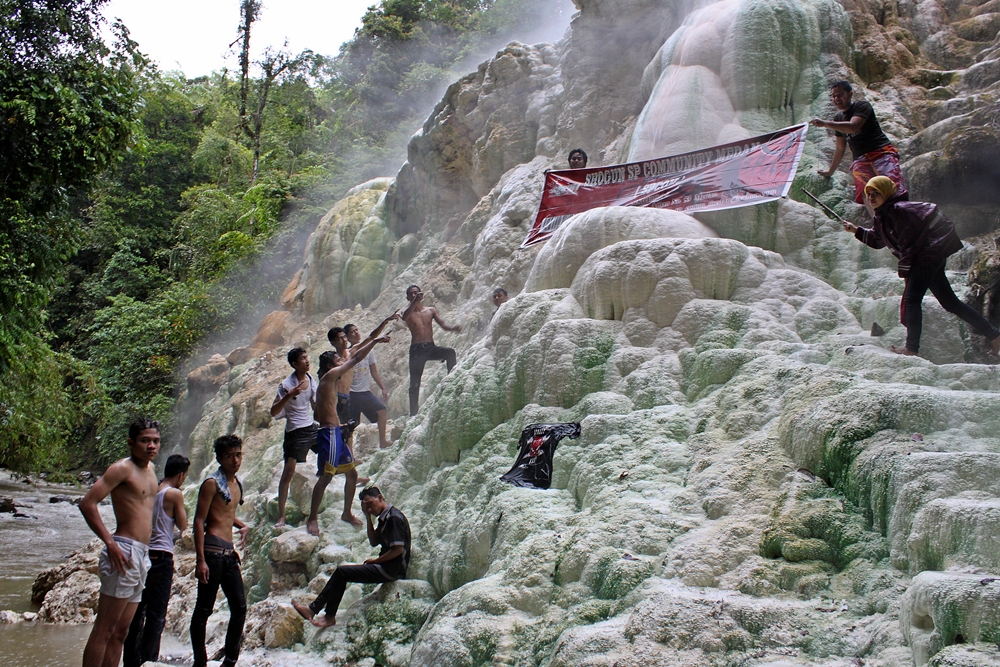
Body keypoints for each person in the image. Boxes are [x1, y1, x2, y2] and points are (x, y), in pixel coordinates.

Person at [844, 176, 1000, 357]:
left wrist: (907, 271)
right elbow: (878, 240)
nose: (871, 197)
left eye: (876, 193)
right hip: (928, 258)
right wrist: (856, 230)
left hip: (926, 257)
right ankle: (995, 335)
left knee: (912, 300)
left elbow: (909, 243)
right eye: (868, 194)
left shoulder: (899, 211)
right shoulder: (883, 215)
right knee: (951, 303)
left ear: (886, 193)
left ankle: (911, 348)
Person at [80, 418, 161, 667]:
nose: (151, 446)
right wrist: (110, 543)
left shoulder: (151, 470)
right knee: (105, 629)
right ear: (131, 442)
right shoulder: (122, 469)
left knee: (121, 633)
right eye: (144, 440)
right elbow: (87, 503)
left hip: (142, 554)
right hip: (123, 550)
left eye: (155, 441)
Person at [306, 332, 390, 534]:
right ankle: (312, 518)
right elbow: (355, 358)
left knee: (351, 474)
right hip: (329, 436)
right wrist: (376, 341)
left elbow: (319, 412)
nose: (341, 361)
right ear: (330, 365)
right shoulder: (330, 376)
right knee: (326, 478)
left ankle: (346, 513)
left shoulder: (331, 382)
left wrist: (339, 426)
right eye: (337, 360)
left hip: (335, 431)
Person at [291, 486, 410, 628]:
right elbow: (373, 542)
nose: (370, 509)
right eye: (367, 507)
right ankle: (314, 609)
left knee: (342, 572)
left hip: (392, 569)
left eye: (370, 504)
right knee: (342, 572)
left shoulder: (394, 518)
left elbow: (398, 550)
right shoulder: (385, 518)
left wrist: (375, 561)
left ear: (380, 498)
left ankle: (327, 615)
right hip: (387, 567)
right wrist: (368, 517)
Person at [122, 454, 189, 667]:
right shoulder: (174, 494)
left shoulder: (152, 489)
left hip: (143, 554)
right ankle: (149, 660)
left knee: (136, 612)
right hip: (162, 558)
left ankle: (131, 660)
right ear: (180, 475)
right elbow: (183, 525)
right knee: (156, 615)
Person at [190, 435, 248, 667]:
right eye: (229, 456)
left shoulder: (236, 484)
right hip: (213, 552)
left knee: (240, 608)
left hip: (229, 554)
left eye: (238, 455)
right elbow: (199, 520)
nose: (235, 460)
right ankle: (200, 662)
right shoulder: (211, 484)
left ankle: (230, 661)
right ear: (219, 458)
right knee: (203, 609)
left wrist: (241, 525)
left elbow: (226, 513)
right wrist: (200, 560)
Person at [811, 80, 905, 204]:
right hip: (860, 160)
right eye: (833, 96)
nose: (836, 98)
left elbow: (853, 126)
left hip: (881, 152)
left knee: (891, 185)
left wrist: (824, 123)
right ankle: (878, 221)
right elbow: (840, 148)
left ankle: (902, 216)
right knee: (866, 192)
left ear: (850, 94)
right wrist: (830, 171)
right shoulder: (838, 118)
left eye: (840, 95)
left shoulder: (862, 106)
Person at [270, 347, 317, 526]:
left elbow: (314, 404)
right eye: (302, 359)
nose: (307, 361)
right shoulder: (286, 385)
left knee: (330, 453)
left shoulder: (312, 380)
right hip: (295, 432)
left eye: (307, 357)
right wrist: (289, 396)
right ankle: (281, 516)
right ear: (294, 364)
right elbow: (274, 412)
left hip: (310, 427)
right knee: (288, 473)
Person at [402, 285, 462, 416]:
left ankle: (451, 382)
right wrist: (414, 302)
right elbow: (404, 317)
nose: (414, 295)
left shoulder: (430, 310)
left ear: (421, 295)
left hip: (430, 347)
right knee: (415, 383)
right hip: (416, 350)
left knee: (450, 352)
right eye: (411, 294)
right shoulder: (408, 313)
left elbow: (443, 324)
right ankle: (413, 414)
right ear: (407, 298)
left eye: (416, 293)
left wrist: (453, 328)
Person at [345, 317, 398, 449]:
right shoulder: (347, 353)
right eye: (352, 332)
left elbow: (374, 371)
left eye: (357, 330)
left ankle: (383, 441)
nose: (356, 332)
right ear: (346, 338)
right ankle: (349, 454)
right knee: (352, 424)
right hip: (352, 394)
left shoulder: (370, 350)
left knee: (382, 410)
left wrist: (383, 388)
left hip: (365, 392)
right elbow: (371, 337)